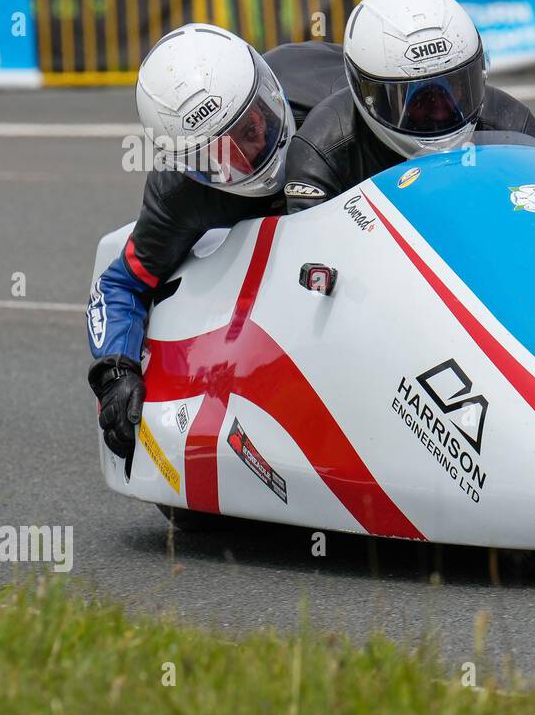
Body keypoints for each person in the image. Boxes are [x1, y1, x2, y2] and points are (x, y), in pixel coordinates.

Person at [88, 24, 346, 460]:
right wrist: (116, 372)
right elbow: (121, 285)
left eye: (250, 128)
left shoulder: (323, 77)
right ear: (186, 164)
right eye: (218, 156)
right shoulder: (177, 196)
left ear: (268, 92)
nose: (250, 157)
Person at [282, 0, 535, 212]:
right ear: (367, 95)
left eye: (455, 89)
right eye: (418, 100)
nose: (441, 112)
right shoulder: (323, 150)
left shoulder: (514, 126)